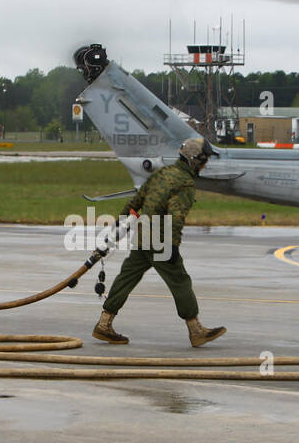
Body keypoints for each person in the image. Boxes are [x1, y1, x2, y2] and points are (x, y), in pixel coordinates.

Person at [92, 136, 227, 347]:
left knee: (127, 277)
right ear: (195, 160)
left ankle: (104, 323)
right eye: (204, 159)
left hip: (143, 236)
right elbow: (176, 216)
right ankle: (196, 329)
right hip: (160, 240)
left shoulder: (161, 174)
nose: (206, 164)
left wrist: (118, 224)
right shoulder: (184, 183)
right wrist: (171, 245)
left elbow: (135, 202)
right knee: (180, 280)